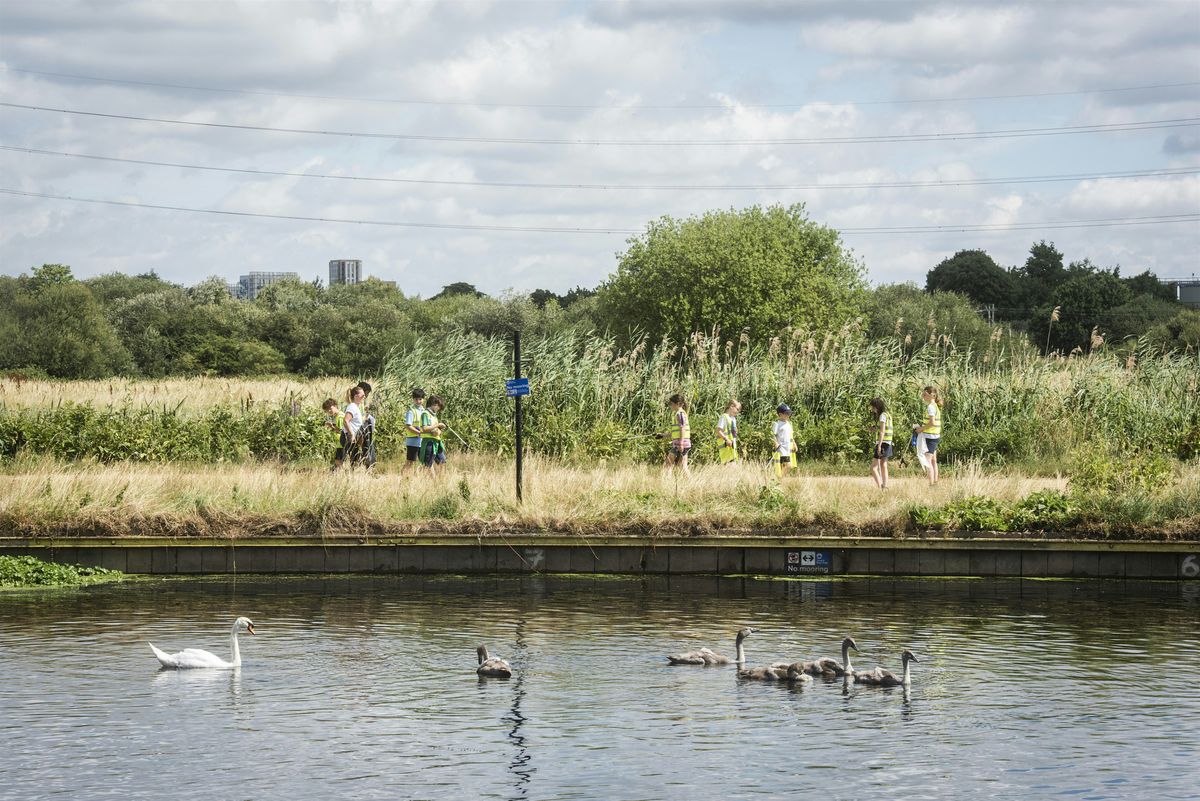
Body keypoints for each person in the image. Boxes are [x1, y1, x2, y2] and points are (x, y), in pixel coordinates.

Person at [913, 385, 942, 485]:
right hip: (935, 436)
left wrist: (921, 429)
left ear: (932, 395)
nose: (923, 396)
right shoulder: (935, 406)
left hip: (930, 436)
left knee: (927, 460)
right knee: (933, 460)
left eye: (925, 394)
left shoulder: (930, 407)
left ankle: (931, 484)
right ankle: (935, 482)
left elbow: (932, 422)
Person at [660, 393, 691, 475]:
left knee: (668, 463)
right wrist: (663, 435)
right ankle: (692, 483)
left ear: (677, 404)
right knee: (682, 466)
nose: (670, 406)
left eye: (671, 404)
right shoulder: (679, 413)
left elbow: (682, 428)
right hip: (683, 442)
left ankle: (667, 482)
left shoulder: (680, 414)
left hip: (680, 444)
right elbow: (675, 432)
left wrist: (681, 443)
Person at [868, 397, 893, 490]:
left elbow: (882, 432)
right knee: (883, 465)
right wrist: (874, 429)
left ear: (877, 407)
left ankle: (880, 487)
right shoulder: (887, 415)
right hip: (888, 442)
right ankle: (885, 486)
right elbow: (884, 428)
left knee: (873, 468)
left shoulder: (882, 416)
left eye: (873, 407)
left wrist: (879, 445)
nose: (872, 409)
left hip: (882, 443)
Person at [420, 395, 448, 473]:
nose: (438, 408)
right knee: (428, 464)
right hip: (429, 442)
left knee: (442, 461)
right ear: (432, 404)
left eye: (439, 406)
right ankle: (433, 481)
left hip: (437, 441)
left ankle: (441, 481)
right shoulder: (425, 414)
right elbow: (424, 428)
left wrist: (439, 430)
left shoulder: (434, 415)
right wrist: (438, 425)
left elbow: (434, 428)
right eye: (437, 405)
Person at [403, 388, 427, 475]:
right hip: (413, 441)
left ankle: (416, 475)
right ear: (413, 399)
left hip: (421, 440)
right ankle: (403, 478)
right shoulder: (411, 411)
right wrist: (419, 433)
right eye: (416, 399)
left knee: (424, 461)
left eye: (420, 399)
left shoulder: (424, 411)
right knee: (410, 461)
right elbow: (408, 426)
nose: (418, 401)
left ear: (423, 399)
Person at [342, 385, 366, 468]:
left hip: (354, 437)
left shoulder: (356, 407)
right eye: (362, 395)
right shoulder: (352, 407)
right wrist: (352, 434)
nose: (364, 397)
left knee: (354, 460)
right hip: (349, 437)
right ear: (356, 396)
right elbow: (345, 421)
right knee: (347, 459)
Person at [773, 404, 797, 479]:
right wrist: (775, 443)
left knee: (786, 466)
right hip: (781, 449)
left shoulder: (789, 424)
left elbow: (791, 435)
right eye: (786, 413)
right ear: (780, 414)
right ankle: (780, 479)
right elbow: (772, 435)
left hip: (788, 450)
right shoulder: (776, 424)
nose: (788, 415)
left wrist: (794, 444)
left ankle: (780, 479)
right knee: (787, 466)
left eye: (789, 413)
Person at [717, 400, 741, 464]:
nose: (738, 412)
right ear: (731, 406)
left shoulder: (733, 419)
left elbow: (733, 433)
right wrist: (726, 439)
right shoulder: (724, 417)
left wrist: (735, 431)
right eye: (737, 409)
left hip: (733, 448)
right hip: (726, 447)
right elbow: (718, 431)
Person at [322, 397, 344, 470]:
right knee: (338, 461)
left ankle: (339, 475)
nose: (329, 411)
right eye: (327, 410)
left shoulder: (340, 416)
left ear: (335, 406)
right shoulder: (337, 416)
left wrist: (332, 427)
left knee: (338, 461)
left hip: (342, 443)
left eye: (330, 408)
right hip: (340, 443)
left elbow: (341, 430)